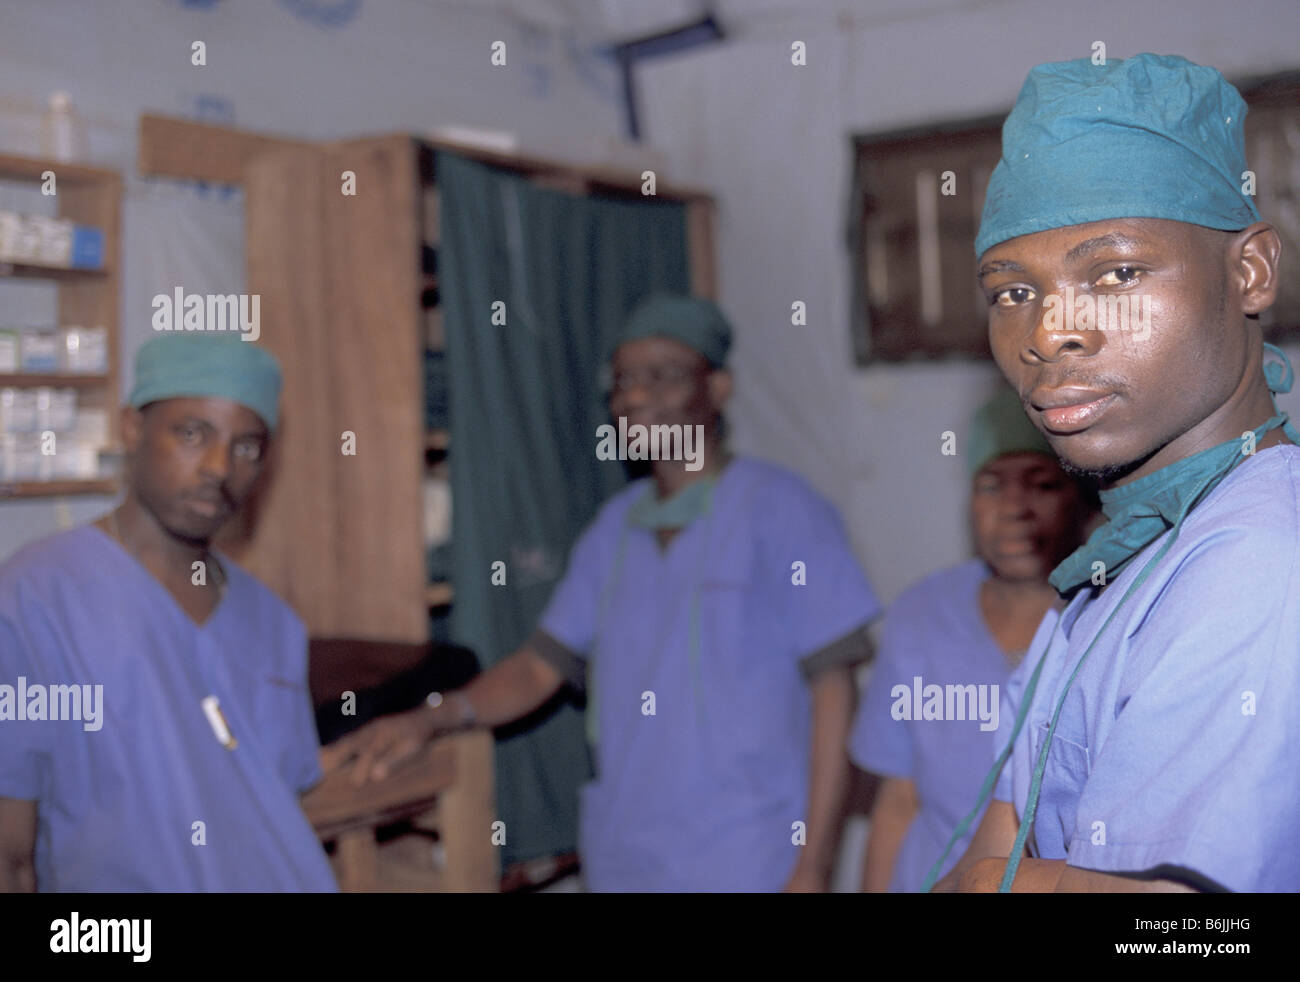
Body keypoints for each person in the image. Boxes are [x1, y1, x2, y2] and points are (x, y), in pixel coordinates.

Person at [321, 294, 881, 892]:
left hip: (750, 853)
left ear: (718, 388)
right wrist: (432, 719)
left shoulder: (781, 511)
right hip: (628, 855)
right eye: (623, 382)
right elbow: (538, 669)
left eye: (663, 375)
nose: (636, 396)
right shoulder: (613, 532)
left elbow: (834, 693)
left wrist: (814, 864)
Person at [936, 53, 1300, 893]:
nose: (1049, 332)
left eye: (1118, 273)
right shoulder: (1122, 559)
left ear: (1250, 272)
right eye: (1011, 291)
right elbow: (1001, 826)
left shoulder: (1260, 559)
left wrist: (1002, 880)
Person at [0, 334, 338, 892]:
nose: (219, 467)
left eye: (247, 447)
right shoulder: (34, 602)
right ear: (132, 428)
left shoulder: (274, 624)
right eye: (191, 433)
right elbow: (10, 859)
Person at [853, 388, 1094, 892]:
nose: (1014, 508)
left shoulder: (1107, 615)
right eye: (991, 486)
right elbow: (899, 799)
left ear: (1082, 499)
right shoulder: (921, 614)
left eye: (1042, 484)